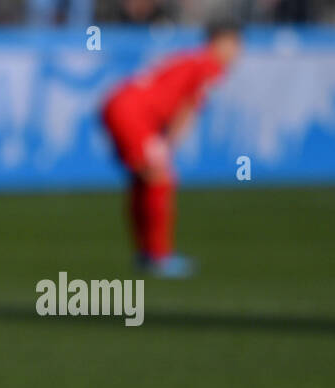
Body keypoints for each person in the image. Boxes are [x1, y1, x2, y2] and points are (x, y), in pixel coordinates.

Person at [100, 22, 242, 278]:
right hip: (132, 112)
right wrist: (169, 146)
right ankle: (158, 257)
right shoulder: (208, 65)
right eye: (235, 44)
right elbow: (187, 109)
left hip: (122, 104)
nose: (237, 51)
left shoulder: (190, 59)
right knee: (160, 177)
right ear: (219, 41)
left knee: (145, 179)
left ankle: (147, 253)